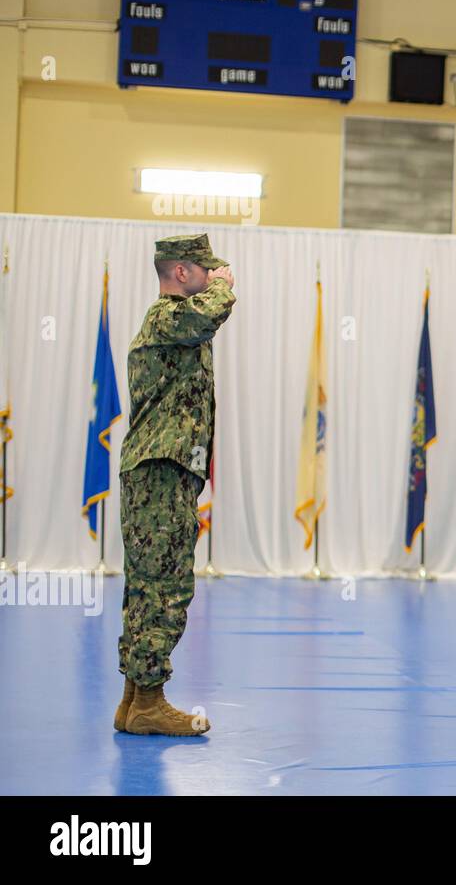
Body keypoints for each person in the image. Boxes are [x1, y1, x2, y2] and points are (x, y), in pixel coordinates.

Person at [115, 234, 236, 736]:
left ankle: (133, 701)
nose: (215, 276)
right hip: (160, 472)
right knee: (166, 586)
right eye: (205, 270)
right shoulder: (168, 318)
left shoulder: (171, 326)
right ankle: (149, 701)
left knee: (147, 586)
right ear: (182, 273)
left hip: (164, 470)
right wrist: (226, 287)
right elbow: (207, 313)